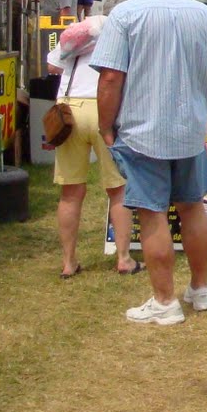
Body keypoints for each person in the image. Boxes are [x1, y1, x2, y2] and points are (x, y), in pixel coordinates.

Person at [92, 0, 207, 326]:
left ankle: (164, 300)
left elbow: (110, 78)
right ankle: (200, 289)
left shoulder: (125, 14)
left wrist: (106, 126)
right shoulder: (203, 14)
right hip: (188, 129)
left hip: (141, 130)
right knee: (192, 207)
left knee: (152, 215)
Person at [48, 15, 139, 278]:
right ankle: (123, 258)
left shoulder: (78, 32)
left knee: (70, 191)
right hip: (103, 107)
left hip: (70, 109)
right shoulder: (121, 31)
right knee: (117, 189)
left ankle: (69, 262)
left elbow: (52, 65)